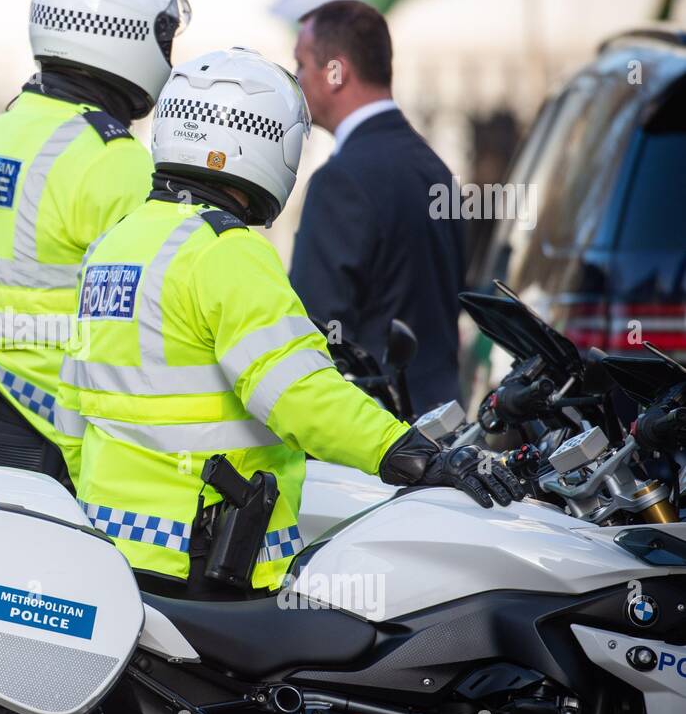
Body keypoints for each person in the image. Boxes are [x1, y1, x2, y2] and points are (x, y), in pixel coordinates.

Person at [60, 48, 523, 599]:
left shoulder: (117, 243)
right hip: (205, 556)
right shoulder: (224, 251)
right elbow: (297, 393)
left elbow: (71, 408)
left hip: (115, 550)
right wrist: (406, 450)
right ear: (260, 143)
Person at [0, 0, 189, 486]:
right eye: (163, 36)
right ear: (125, 36)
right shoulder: (112, 159)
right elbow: (151, 322)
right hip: (55, 442)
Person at [289, 0, 466, 414]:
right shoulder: (436, 170)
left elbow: (314, 338)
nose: (297, 80)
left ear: (336, 72)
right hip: (444, 425)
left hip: (373, 444)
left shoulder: (340, 180)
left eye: (300, 64)